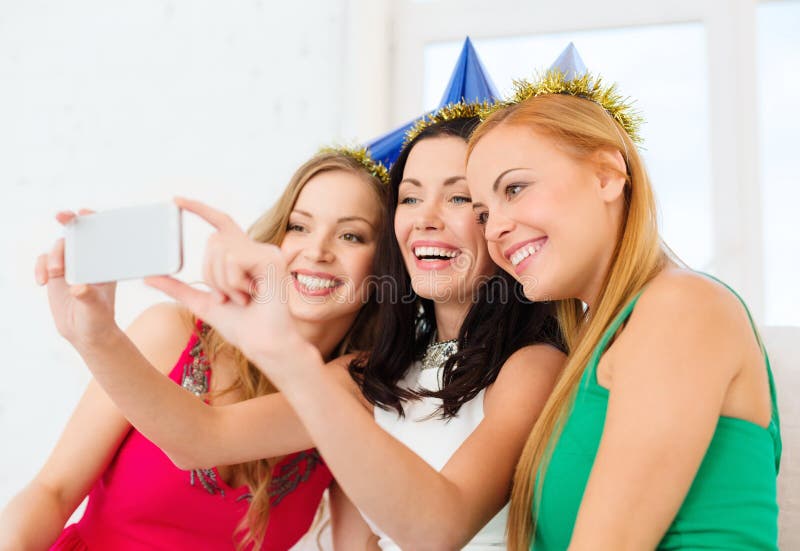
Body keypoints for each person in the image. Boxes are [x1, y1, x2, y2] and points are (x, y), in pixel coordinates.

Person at [149, 102, 567, 550]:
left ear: (496, 219)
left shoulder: (532, 367)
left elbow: (439, 530)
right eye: (409, 197)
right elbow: (201, 440)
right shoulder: (373, 374)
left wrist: (287, 357)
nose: (426, 217)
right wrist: (93, 333)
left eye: (458, 197)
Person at [0, 148, 389, 551]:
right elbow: (52, 491)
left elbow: (356, 545)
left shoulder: (357, 392)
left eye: (351, 235)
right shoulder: (170, 332)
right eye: (299, 226)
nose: (317, 250)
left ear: (384, 266)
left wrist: (96, 339)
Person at [464, 63, 781, 549]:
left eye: (515, 188)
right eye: (484, 212)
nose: (493, 229)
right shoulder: (600, 349)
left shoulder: (683, 307)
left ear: (608, 175)